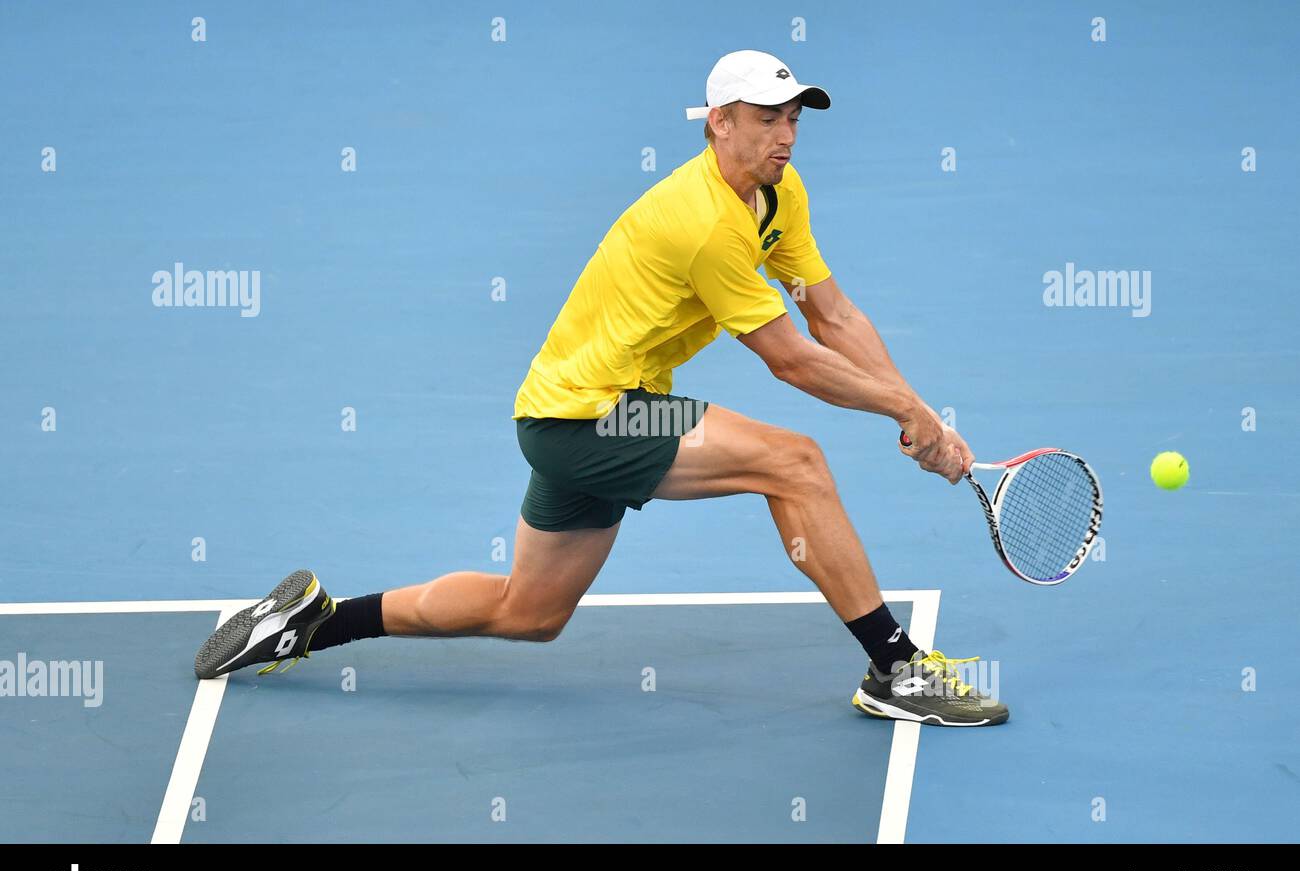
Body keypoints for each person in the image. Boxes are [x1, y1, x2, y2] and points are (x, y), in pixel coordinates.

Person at [195, 50, 1007, 727]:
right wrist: (906, 411)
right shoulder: (704, 222)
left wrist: (924, 415)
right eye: (766, 118)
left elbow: (833, 312)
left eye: (794, 117)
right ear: (716, 122)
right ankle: (895, 671)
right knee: (794, 463)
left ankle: (312, 623)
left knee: (529, 613)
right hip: (593, 417)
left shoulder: (776, 195)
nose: (785, 135)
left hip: (571, 407)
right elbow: (791, 358)